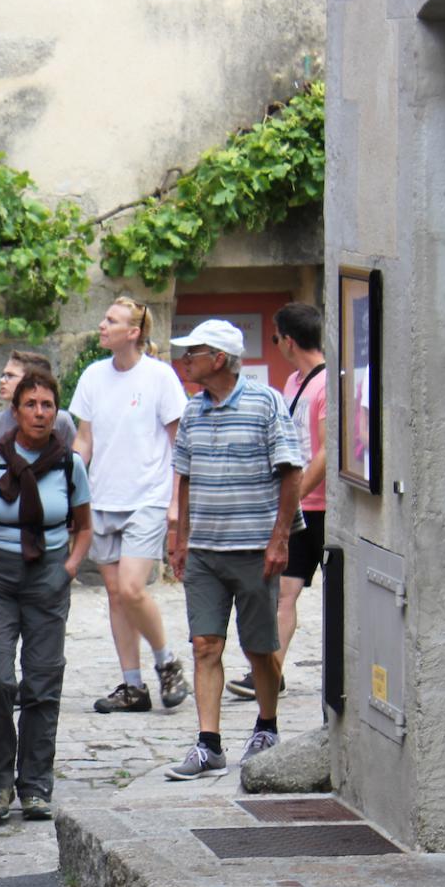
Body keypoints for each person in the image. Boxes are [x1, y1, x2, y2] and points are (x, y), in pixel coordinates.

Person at [162, 320, 305, 780]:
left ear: (219, 359)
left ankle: (267, 727)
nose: (185, 361)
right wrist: (180, 539)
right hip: (205, 550)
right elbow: (185, 477)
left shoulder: (266, 403)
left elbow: (291, 471)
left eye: (193, 353)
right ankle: (208, 744)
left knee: (259, 647)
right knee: (205, 644)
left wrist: (280, 538)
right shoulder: (193, 411)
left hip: (254, 548)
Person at [0, 371, 93, 823]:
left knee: (42, 682)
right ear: (15, 410)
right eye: (31, 404)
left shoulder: (69, 464)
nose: (40, 413)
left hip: (48, 575)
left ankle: (36, 785)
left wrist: (69, 567)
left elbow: (84, 525)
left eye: (48, 405)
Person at [72, 298, 190, 716]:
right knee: (116, 595)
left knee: (132, 588)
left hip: (147, 498)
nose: (102, 325)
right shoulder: (93, 376)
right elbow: (84, 439)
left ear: (134, 332)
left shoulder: (159, 376)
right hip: (102, 497)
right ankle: (133, 685)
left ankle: (167, 662)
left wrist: (175, 501)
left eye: (112, 320)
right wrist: (71, 485)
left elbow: (180, 444)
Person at [229, 303, 326, 701]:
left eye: (276, 338)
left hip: (320, 506)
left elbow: (327, 451)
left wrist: (294, 495)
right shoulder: (292, 382)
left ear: (288, 341)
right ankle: (272, 672)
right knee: (286, 591)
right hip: (300, 506)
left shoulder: (325, 385)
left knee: (319, 594)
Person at [0, 350, 76, 448]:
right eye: (3, 376)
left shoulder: (61, 422)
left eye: (10, 376)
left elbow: (75, 455)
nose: (2, 381)